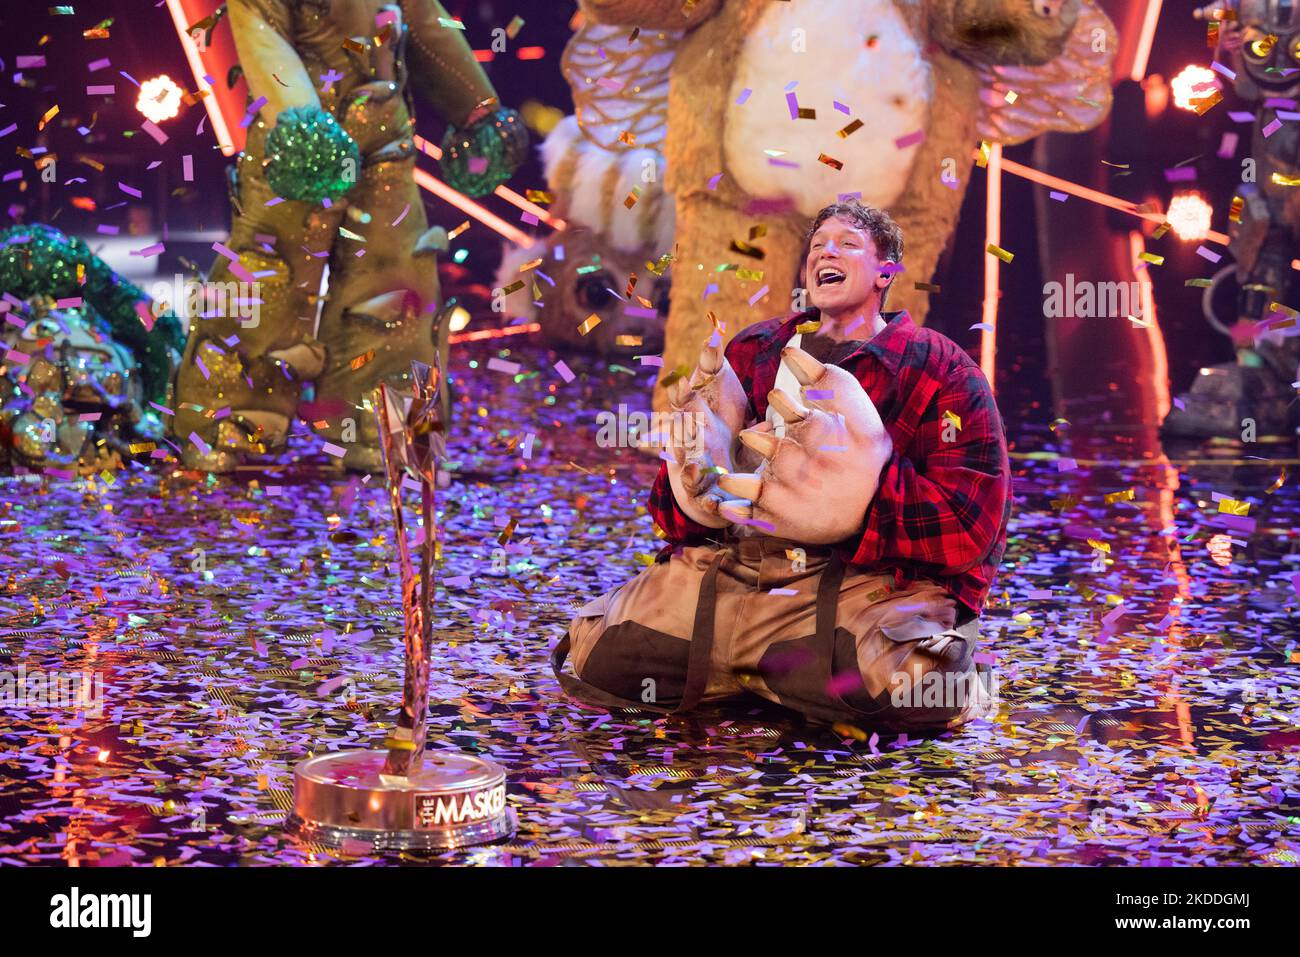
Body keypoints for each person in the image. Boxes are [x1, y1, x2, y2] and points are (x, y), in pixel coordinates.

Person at [554, 200, 1011, 730]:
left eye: (847, 245)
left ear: (886, 271)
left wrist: (856, 497)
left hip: (855, 586)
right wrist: (692, 477)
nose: (826, 254)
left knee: (921, 687)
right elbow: (674, 520)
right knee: (598, 656)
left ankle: (780, 672)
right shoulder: (756, 348)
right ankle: (771, 675)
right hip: (736, 576)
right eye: (817, 246)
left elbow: (969, 530)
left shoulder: (940, 368)